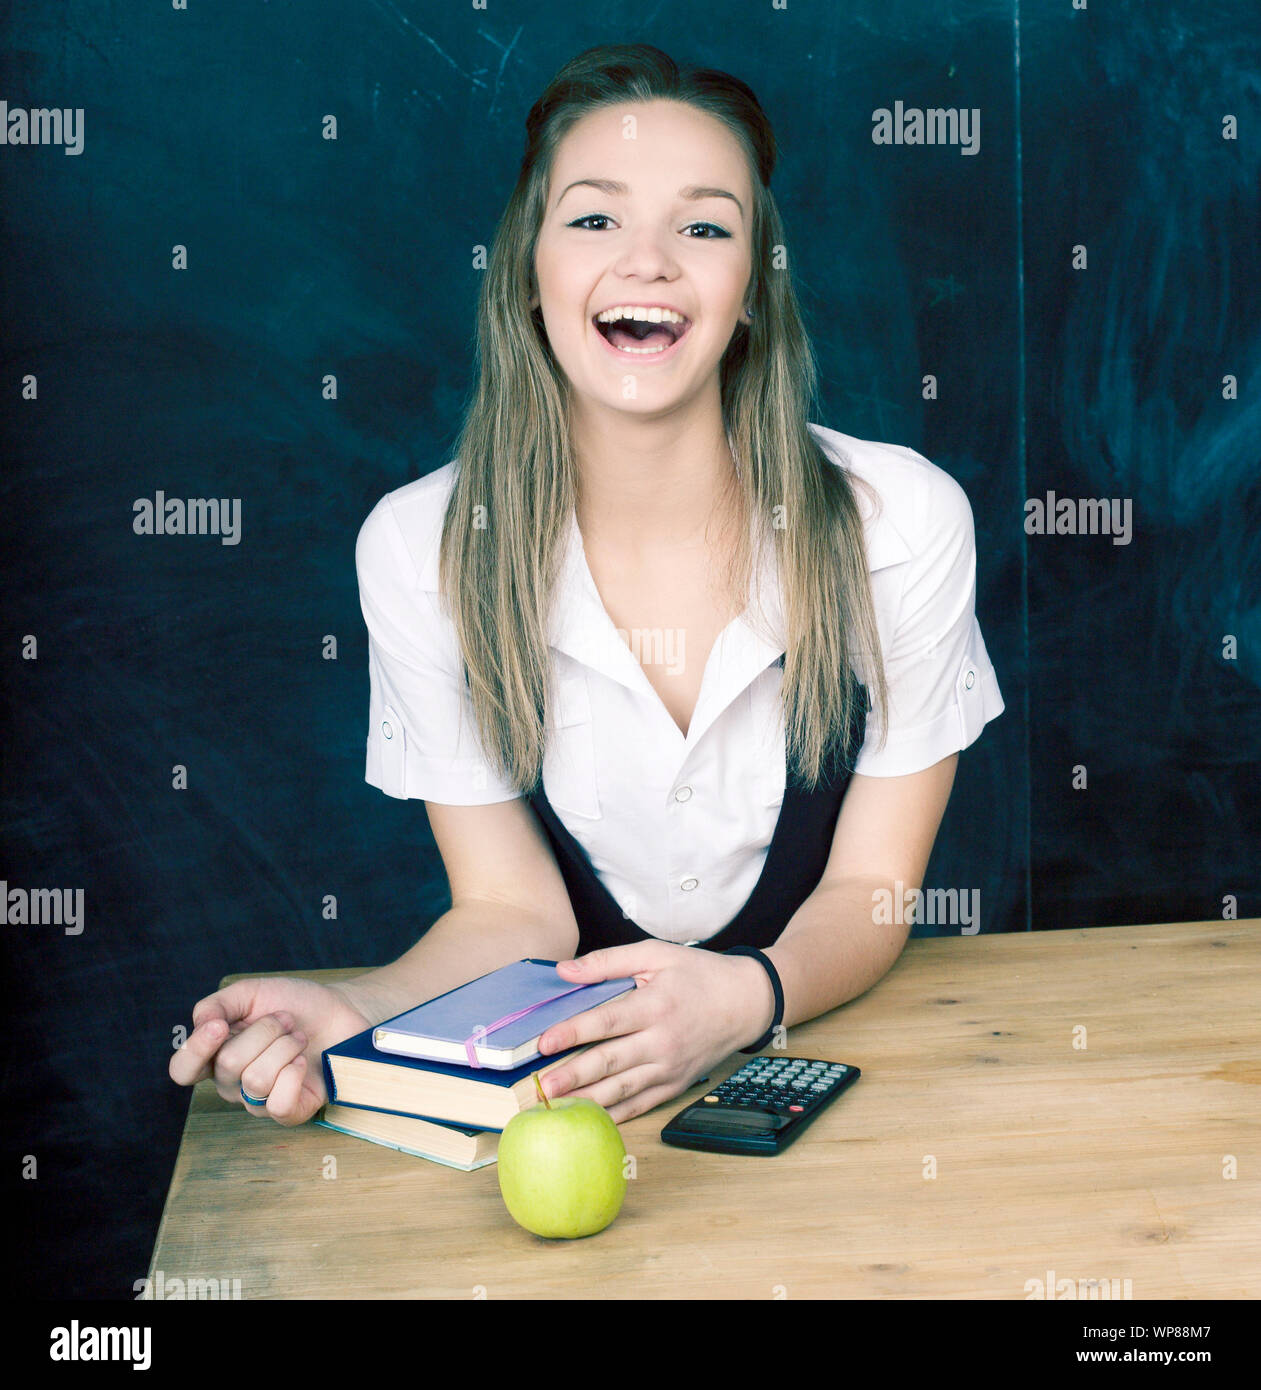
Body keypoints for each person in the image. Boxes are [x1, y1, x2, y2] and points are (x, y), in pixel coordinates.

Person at [170, 43, 1004, 1129]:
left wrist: (749, 996)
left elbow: (869, 893)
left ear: (750, 289)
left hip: (860, 1067)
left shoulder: (901, 522)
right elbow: (513, 910)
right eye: (595, 218)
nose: (647, 260)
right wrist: (351, 1007)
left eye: (704, 226)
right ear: (528, 269)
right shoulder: (420, 547)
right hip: (578, 1088)